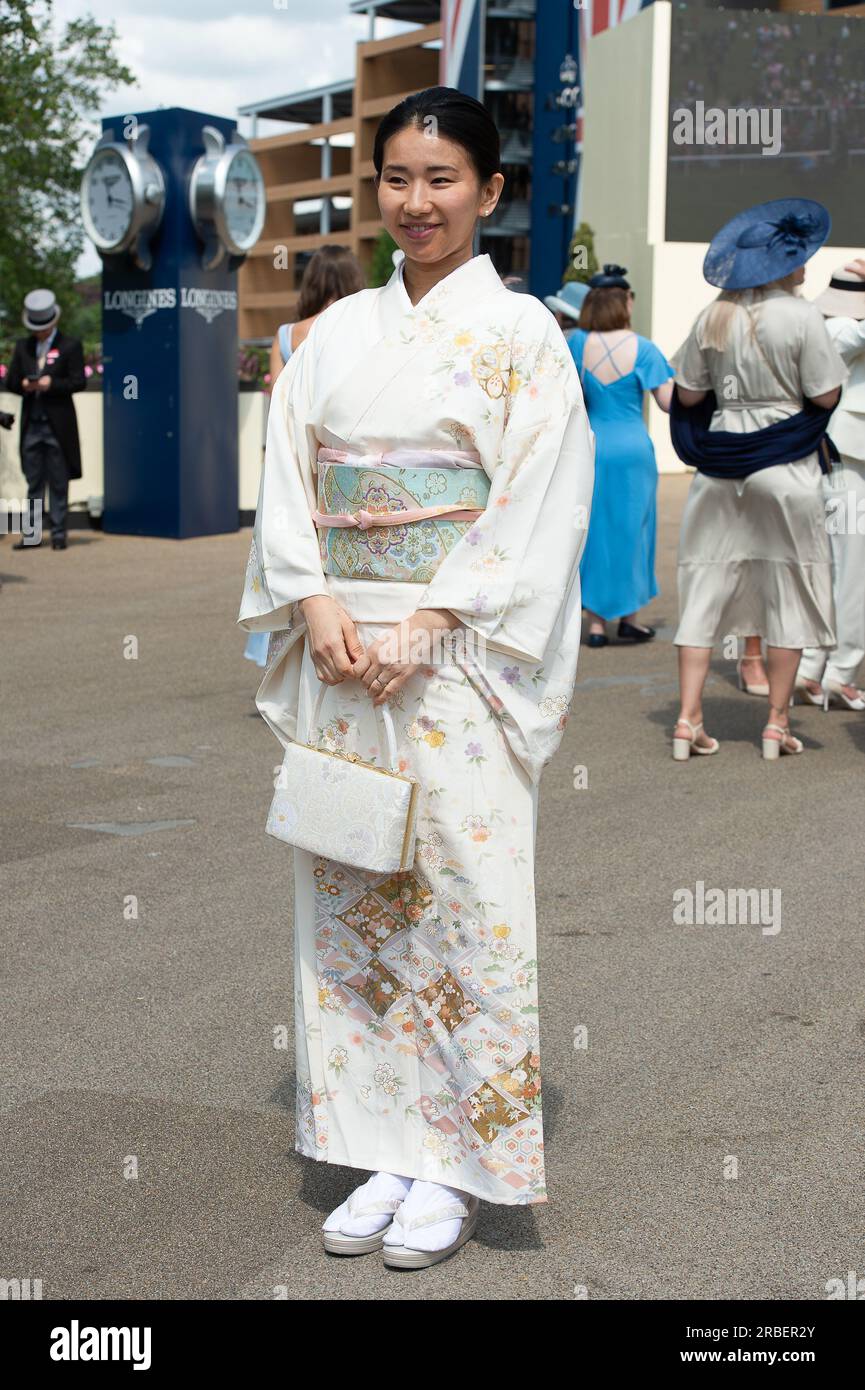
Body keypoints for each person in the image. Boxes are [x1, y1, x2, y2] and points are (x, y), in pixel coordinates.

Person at [237, 85, 595, 1267]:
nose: (416, 201)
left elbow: (539, 498)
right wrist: (319, 599)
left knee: (465, 905)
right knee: (352, 909)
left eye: (442, 179)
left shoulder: (523, 333)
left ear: (488, 192)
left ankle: (459, 1164)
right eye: (396, 177)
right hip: (345, 654)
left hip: (458, 656)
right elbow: (290, 477)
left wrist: (434, 614)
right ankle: (378, 1144)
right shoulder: (333, 336)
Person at [669, 199, 846, 760]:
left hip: (720, 466)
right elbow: (825, 395)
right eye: (798, 257)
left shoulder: (711, 317)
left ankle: (686, 718)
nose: (806, 265)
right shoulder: (801, 318)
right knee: (788, 588)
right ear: (778, 265)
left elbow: (688, 396)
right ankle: (775, 723)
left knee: (703, 586)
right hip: (785, 464)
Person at [245, 247, 366, 669]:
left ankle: (280, 657)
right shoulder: (360, 329)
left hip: (293, 460)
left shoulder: (287, 334)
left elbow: (279, 401)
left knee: (287, 551)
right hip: (341, 461)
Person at [568, 265, 674, 647]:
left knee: (593, 530)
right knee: (635, 529)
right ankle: (629, 619)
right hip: (633, 449)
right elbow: (668, 403)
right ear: (624, 302)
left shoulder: (576, 343)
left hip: (592, 448)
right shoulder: (645, 348)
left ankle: (595, 625)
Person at [796, 259, 865, 710]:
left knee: (826, 565)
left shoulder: (820, 323)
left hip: (832, 457)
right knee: (851, 570)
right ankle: (840, 671)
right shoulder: (840, 328)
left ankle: (811, 665)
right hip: (847, 459)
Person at [5, 289, 86, 550]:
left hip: (57, 425)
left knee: (59, 480)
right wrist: (25, 385)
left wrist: (53, 384)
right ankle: (32, 534)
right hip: (32, 424)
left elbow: (78, 382)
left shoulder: (70, 346)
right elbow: (10, 382)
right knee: (34, 481)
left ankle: (59, 532)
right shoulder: (23, 347)